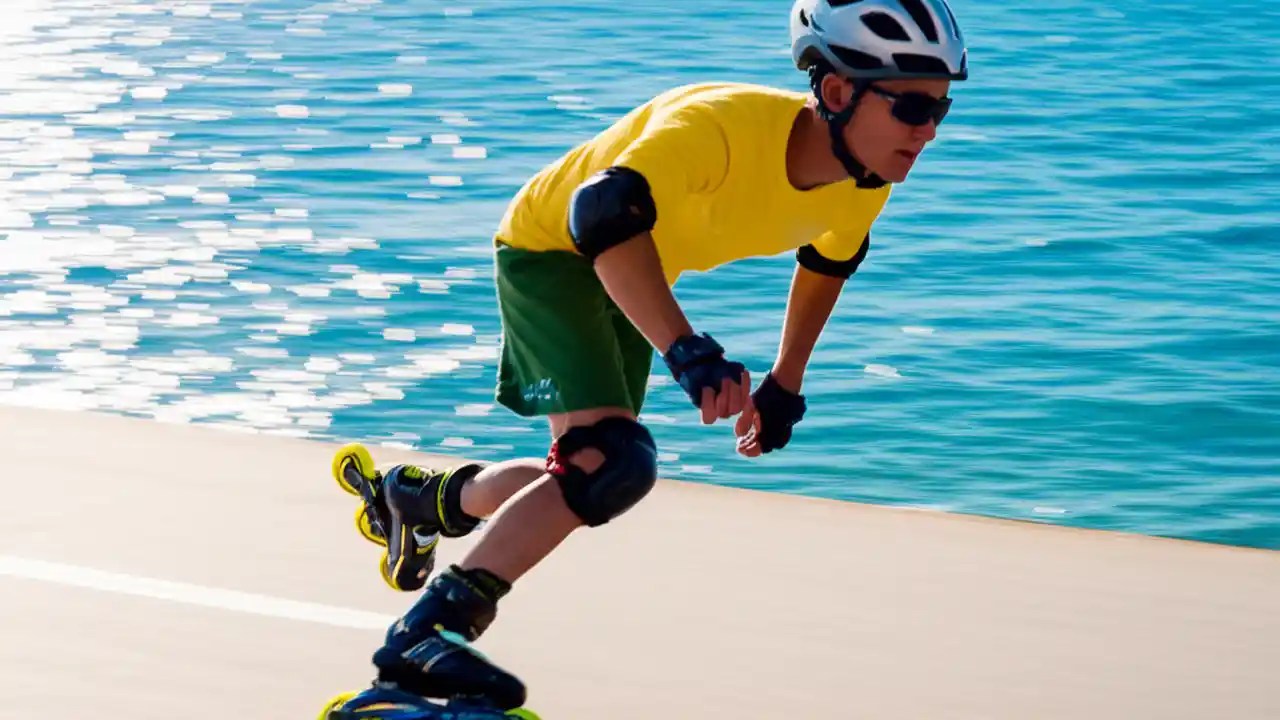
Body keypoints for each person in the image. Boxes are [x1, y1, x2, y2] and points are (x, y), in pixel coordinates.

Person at [322, 0, 968, 716]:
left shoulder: (863, 183)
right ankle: (424, 638)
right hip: (554, 251)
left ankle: (423, 501)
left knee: (581, 474)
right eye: (912, 106)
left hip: (632, 263)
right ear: (840, 91)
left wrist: (787, 380)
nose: (929, 131)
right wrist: (685, 350)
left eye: (941, 109)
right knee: (612, 463)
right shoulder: (718, 128)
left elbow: (827, 261)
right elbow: (600, 213)